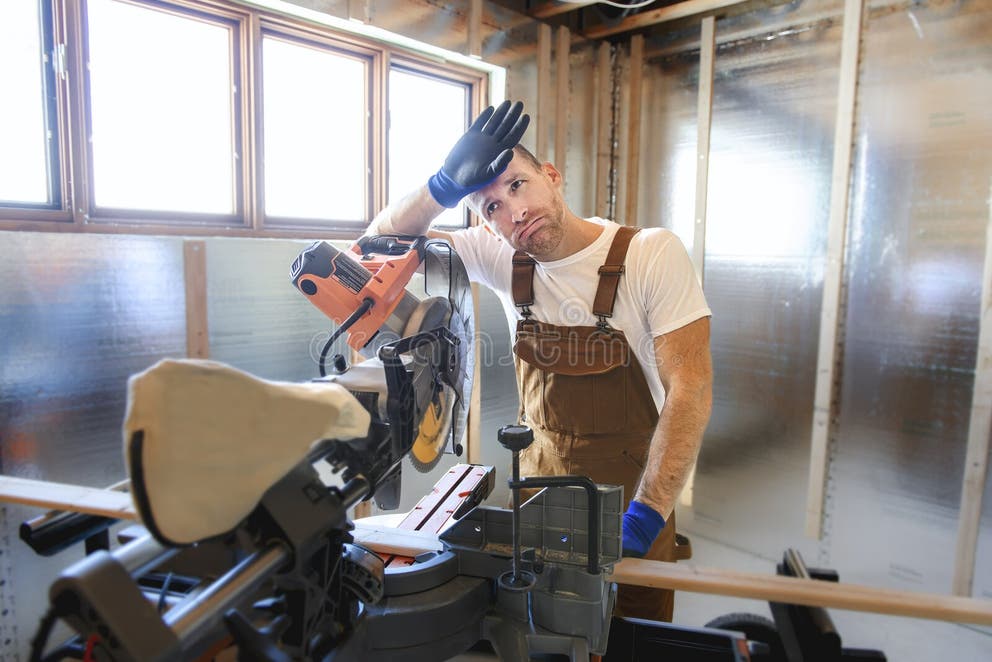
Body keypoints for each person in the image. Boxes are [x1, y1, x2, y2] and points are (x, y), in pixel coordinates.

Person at [367, 100, 712, 622]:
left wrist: (645, 516)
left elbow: (691, 388)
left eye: (517, 185)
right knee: (541, 635)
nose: (514, 212)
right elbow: (375, 248)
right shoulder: (501, 255)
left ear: (551, 176)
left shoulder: (649, 255)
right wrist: (442, 186)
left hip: (635, 506)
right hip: (538, 504)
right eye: (491, 208)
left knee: (633, 640)